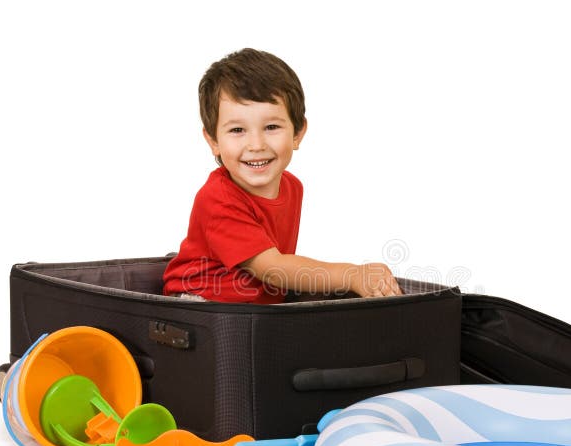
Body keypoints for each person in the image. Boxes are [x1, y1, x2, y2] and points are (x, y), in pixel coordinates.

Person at [162, 48, 402, 304]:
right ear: (213, 141)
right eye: (237, 130)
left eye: (272, 127)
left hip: (253, 309)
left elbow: (278, 271)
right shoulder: (217, 198)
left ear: (297, 133)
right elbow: (273, 268)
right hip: (197, 303)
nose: (256, 144)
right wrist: (351, 274)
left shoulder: (292, 187)